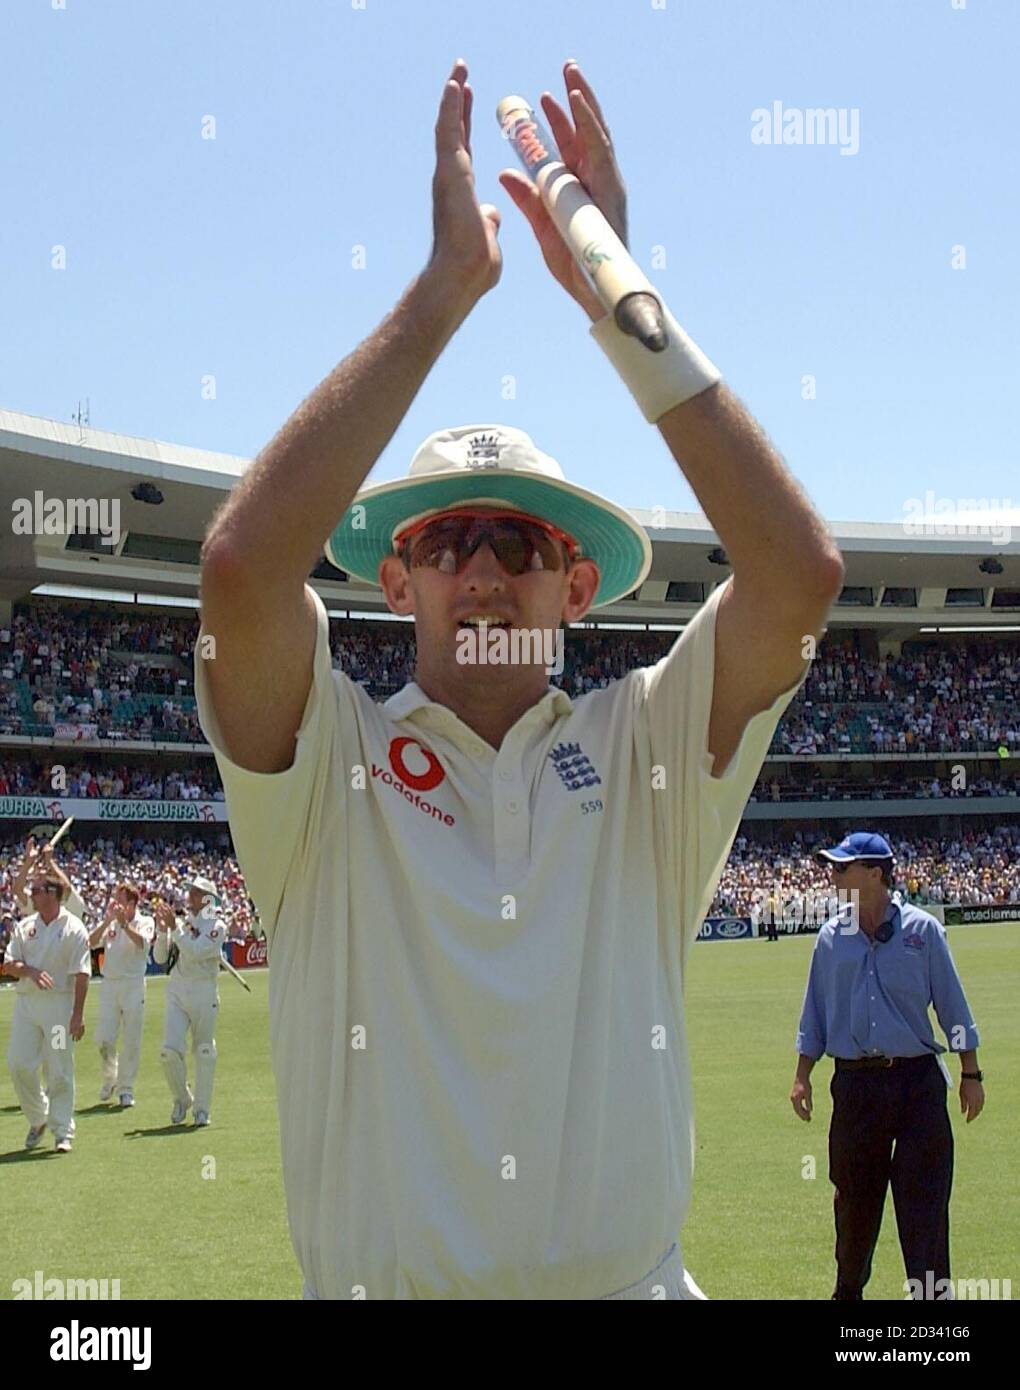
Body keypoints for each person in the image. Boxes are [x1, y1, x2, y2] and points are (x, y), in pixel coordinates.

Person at [195, 58, 844, 1298]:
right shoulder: (328, 766)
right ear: (396, 584)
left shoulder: (649, 745)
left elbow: (798, 575)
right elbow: (239, 571)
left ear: (576, 585)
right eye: (445, 542)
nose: (482, 572)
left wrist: (617, 295)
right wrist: (445, 294)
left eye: (520, 544)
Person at [790, 832, 984, 1300]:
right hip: (855, 1088)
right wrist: (801, 1075)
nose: (832, 875)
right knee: (854, 1204)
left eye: (842, 868)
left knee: (925, 1205)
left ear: (874, 874)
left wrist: (971, 1073)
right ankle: (848, 1294)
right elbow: (814, 1011)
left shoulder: (924, 932)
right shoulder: (830, 939)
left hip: (917, 1083)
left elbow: (953, 1007)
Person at [2, 872, 90, 1152]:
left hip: (59, 1007)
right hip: (28, 1006)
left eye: (37, 890)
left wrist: (77, 1014)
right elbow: (9, 964)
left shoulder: (75, 928)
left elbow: (82, 974)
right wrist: (30, 971)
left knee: (59, 1067)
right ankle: (39, 1117)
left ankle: (63, 1130)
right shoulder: (26, 925)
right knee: (18, 1064)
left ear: (52, 893)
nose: (32, 895)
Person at [151, 876, 225, 1127]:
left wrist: (177, 929)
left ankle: (202, 1110)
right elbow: (161, 957)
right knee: (168, 1051)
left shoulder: (217, 926)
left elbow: (196, 952)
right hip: (177, 991)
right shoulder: (182, 923)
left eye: (194, 893)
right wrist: (163, 930)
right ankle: (182, 1098)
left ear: (207, 898)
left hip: (204, 991)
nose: (189, 897)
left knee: (204, 1051)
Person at [89, 882, 155, 1107]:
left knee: (131, 1040)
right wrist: (108, 921)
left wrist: (124, 924)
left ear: (132, 903)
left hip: (133, 984)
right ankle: (110, 1078)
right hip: (109, 984)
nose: (115, 904)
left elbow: (143, 944)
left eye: (120, 900)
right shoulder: (111, 922)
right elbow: (90, 942)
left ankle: (126, 1088)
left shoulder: (145, 921)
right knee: (104, 1038)